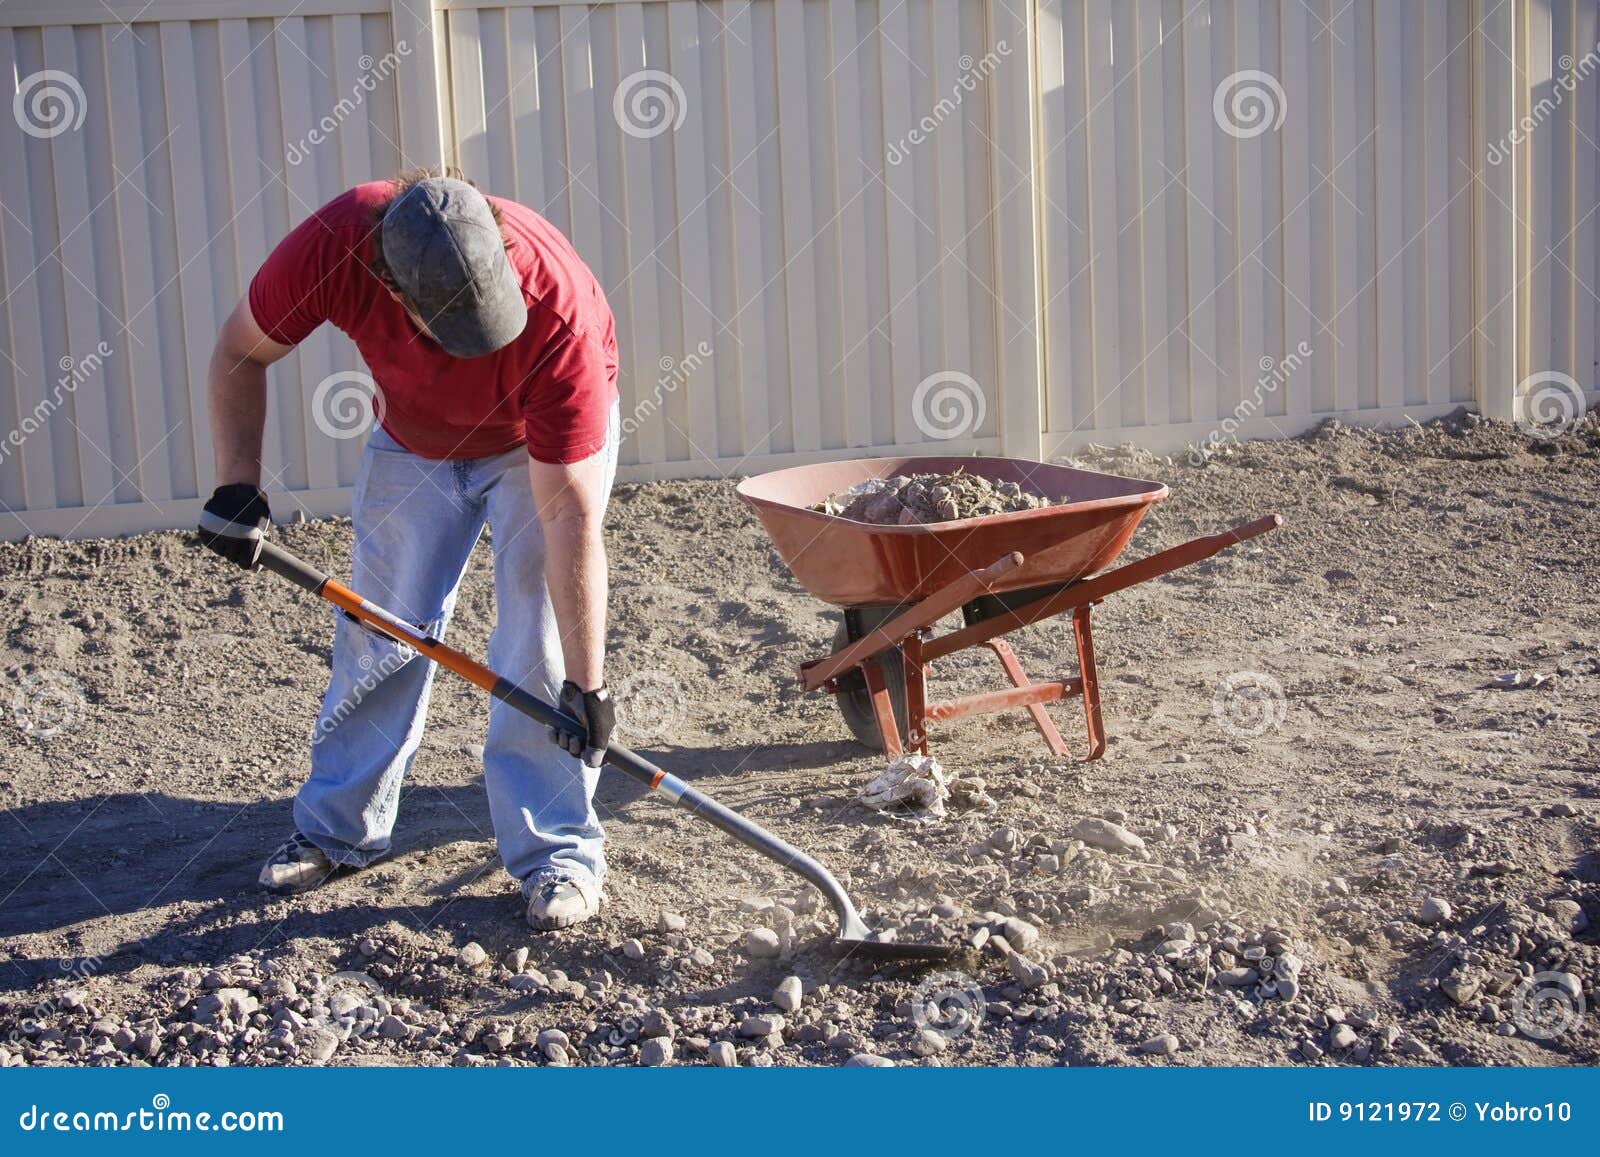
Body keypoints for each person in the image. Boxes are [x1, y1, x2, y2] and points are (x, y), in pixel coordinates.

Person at [198, 170, 620, 931]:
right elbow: (240, 350)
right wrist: (238, 486)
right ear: (391, 290)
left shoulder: (557, 311)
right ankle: (336, 830)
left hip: (535, 449)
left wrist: (589, 688)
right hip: (413, 441)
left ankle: (557, 853)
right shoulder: (335, 247)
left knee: (537, 645)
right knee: (379, 631)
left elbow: (568, 513)